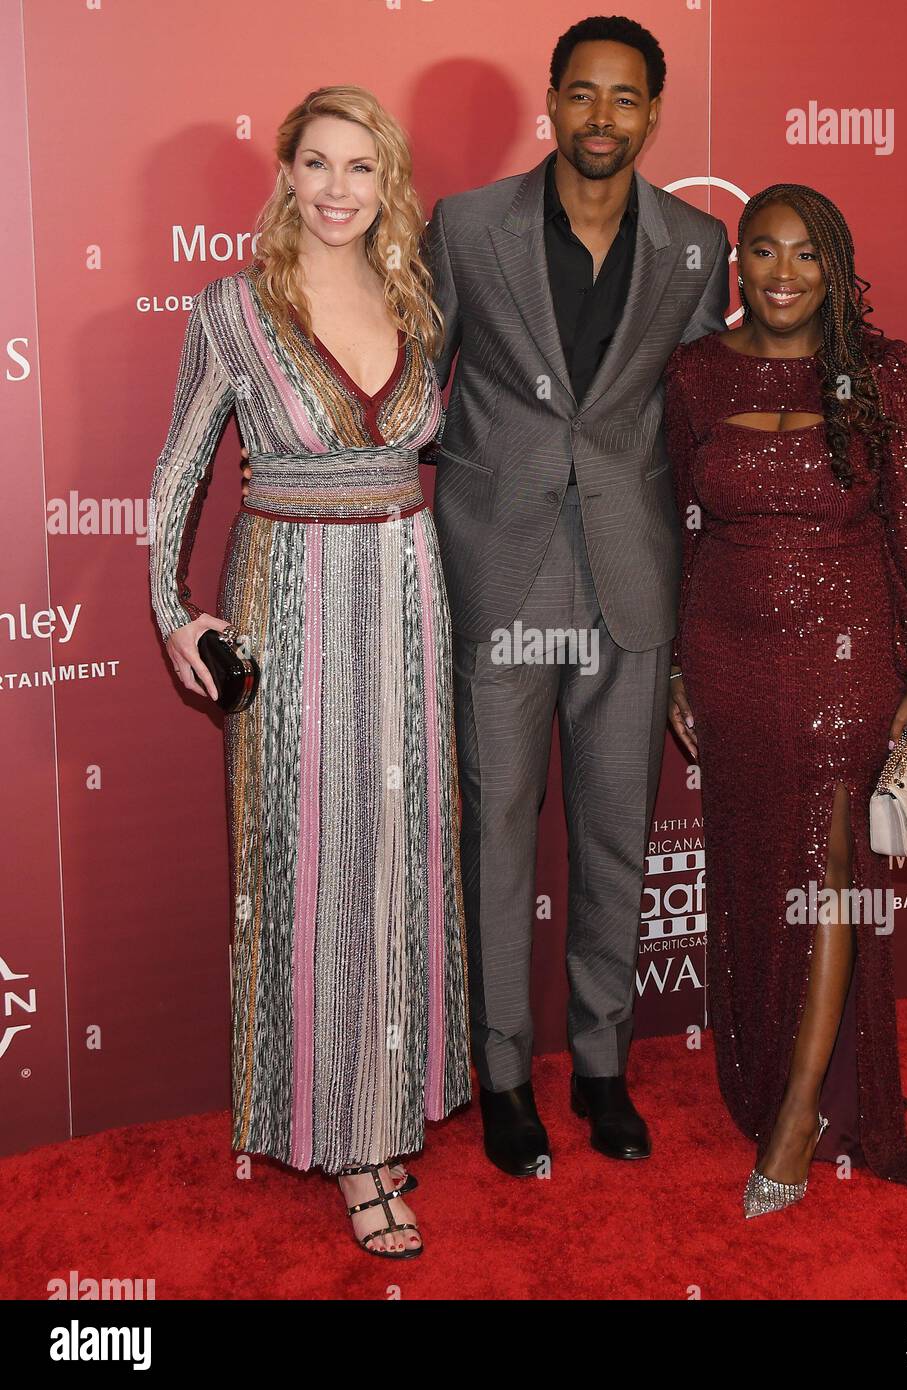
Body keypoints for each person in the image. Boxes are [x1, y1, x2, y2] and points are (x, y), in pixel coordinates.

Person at [149, 86, 469, 1258]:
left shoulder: (419, 297)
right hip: (284, 600)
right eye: (317, 164)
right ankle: (341, 1142)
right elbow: (179, 469)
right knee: (308, 868)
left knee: (396, 864)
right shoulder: (233, 308)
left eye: (362, 168)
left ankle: (386, 1117)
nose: (338, 189)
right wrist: (172, 611)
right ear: (286, 173)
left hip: (404, 592)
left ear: (388, 183)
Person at [423, 15, 730, 1175]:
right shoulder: (465, 226)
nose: (602, 118)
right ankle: (501, 1072)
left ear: (653, 112)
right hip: (499, 575)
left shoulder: (698, 245)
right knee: (496, 832)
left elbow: (698, 423)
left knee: (616, 835)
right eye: (583, 95)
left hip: (629, 581)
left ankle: (602, 1063)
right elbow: (416, 378)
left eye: (626, 99)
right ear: (552, 101)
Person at [664, 184, 907, 1217]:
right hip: (727, 658)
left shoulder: (883, 372)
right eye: (759, 252)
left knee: (829, 867)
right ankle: (767, 1069)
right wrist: (670, 670)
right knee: (756, 872)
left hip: (846, 660)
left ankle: (796, 1116)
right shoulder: (695, 374)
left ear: (834, 265)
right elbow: (681, 529)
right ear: (736, 264)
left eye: (803, 254)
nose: (780, 273)